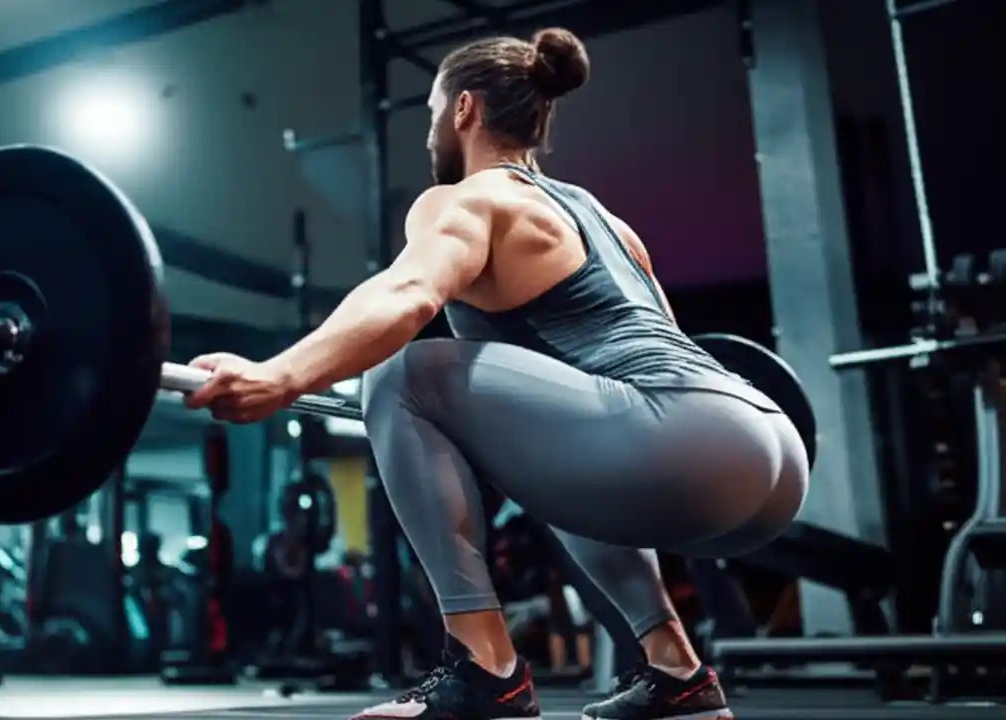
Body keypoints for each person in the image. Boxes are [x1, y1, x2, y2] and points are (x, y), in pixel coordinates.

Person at [185, 26, 809, 720]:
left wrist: (281, 375)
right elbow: (654, 351)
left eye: (430, 113)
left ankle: (486, 668)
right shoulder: (606, 221)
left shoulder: (471, 198)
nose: (429, 132)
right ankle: (677, 672)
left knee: (400, 373)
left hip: (683, 440)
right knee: (557, 464)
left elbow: (406, 295)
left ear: (464, 110)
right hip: (766, 446)